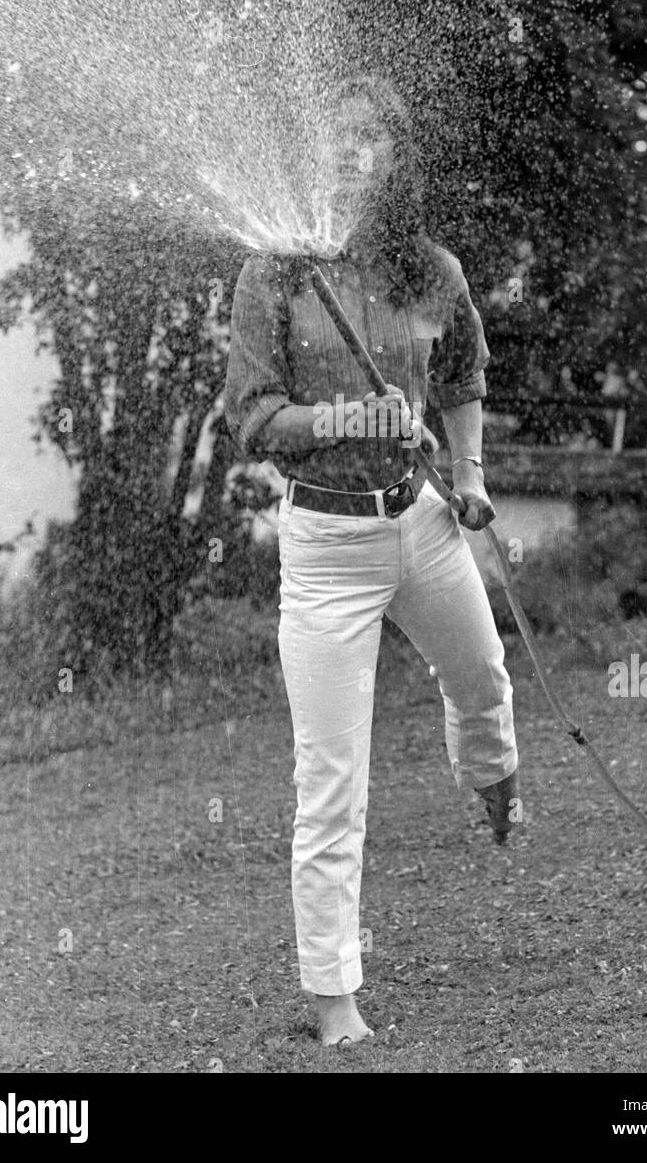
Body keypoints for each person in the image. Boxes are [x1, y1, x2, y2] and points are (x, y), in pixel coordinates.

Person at [223, 74, 520, 1047]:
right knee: (330, 781)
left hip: (421, 522)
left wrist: (469, 476)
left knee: (480, 679)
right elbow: (252, 419)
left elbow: (466, 373)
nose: (354, 154)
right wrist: (343, 416)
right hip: (325, 547)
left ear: (397, 158)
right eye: (338, 137)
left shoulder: (430, 269)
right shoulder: (273, 272)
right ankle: (333, 1001)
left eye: (372, 140)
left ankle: (491, 778)